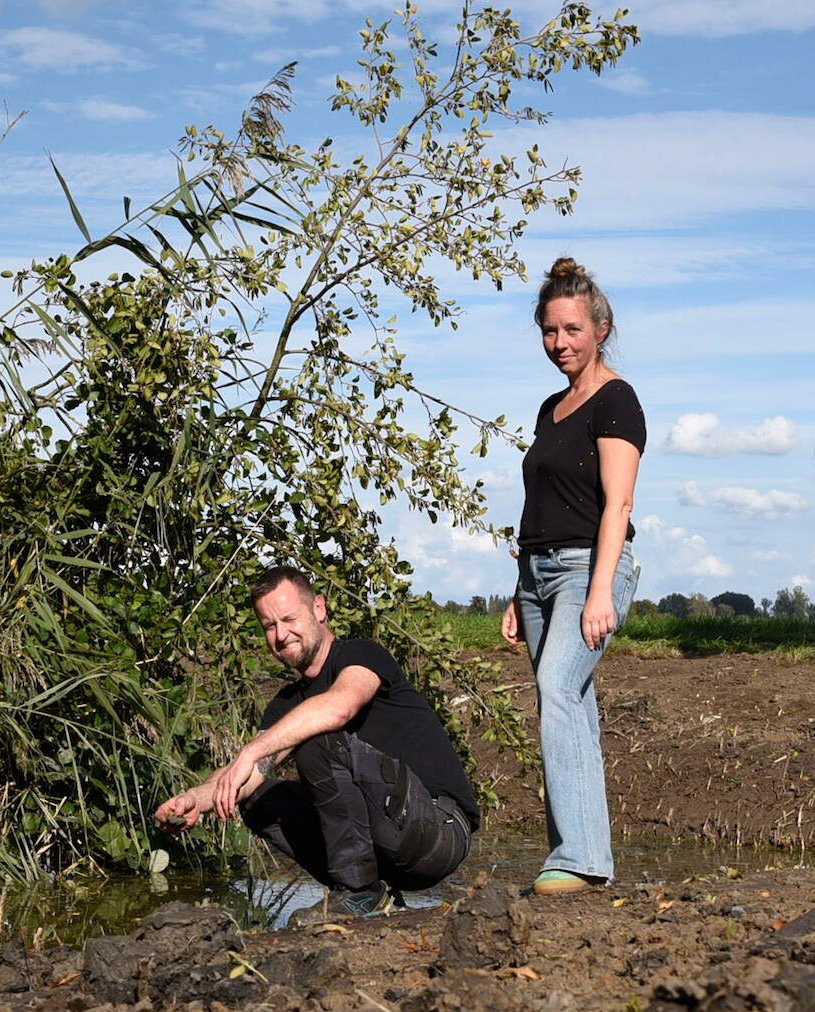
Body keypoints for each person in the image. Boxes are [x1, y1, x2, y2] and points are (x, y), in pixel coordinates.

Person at [155, 565, 479, 925]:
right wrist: (195, 800)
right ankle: (372, 893)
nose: (281, 635)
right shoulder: (287, 704)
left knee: (319, 741)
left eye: (288, 619)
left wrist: (253, 749)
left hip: (439, 830)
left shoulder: (361, 654)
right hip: (389, 846)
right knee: (257, 798)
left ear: (319, 609)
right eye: (269, 626)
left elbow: (340, 707)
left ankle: (357, 893)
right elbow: (244, 776)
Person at [502, 257, 645, 896]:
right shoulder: (550, 408)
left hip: (589, 568)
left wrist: (600, 591)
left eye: (572, 330)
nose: (560, 342)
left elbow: (618, 503)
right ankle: (591, 859)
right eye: (549, 330)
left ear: (601, 330)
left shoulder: (617, 400)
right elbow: (540, 505)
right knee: (571, 704)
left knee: (558, 687)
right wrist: (518, 590)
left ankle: (578, 855)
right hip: (536, 575)